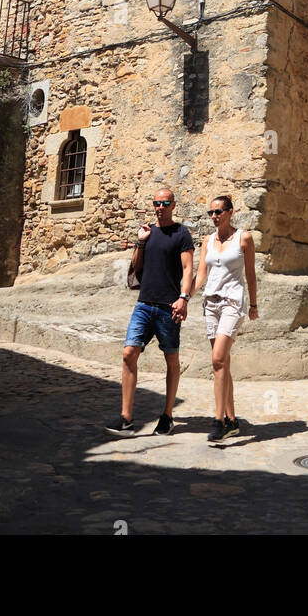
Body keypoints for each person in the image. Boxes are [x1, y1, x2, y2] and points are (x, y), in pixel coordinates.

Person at [105, 186, 194, 437]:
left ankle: (167, 415)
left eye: (166, 204)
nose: (161, 208)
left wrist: (183, 298)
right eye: (157, 203)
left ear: (173, 205)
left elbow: (188, 270)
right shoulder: (148, 232)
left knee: (171, 359)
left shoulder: (181, 234)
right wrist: (140, 242)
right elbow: (135, 266)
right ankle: (126, 418)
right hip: (144, 304)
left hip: (168, 307)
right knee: (128, 353)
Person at [191, 194, 258, 442]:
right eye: (211, 213)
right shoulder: (207, 241)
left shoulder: (244, 238)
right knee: (224, 364)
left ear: (230, 212)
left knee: (217, 359)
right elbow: (200, 276)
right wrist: (184, 296)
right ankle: (232, 420)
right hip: (210, 304)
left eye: (218, 212)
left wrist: (253, 304)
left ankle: (218, 421)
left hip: (232, 303)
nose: (214, 216)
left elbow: (250, 274)